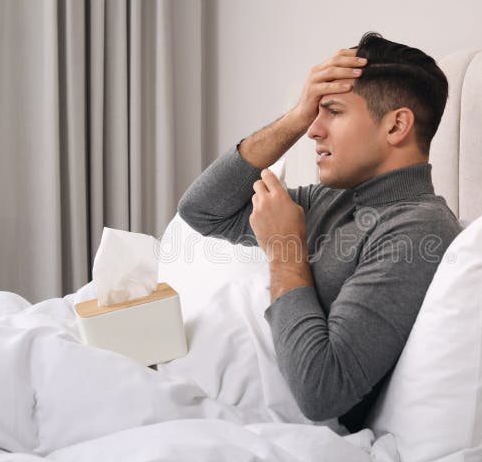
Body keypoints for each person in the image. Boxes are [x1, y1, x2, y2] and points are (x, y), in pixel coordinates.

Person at [177, 32, 461, 433]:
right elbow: (202, 211)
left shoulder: (416, 228)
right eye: (314, 113)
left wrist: (284, 252)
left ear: (396, 125)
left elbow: (322, 392)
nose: (313, 129)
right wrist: (295, 116)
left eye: (334, 112)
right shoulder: (333, 200)